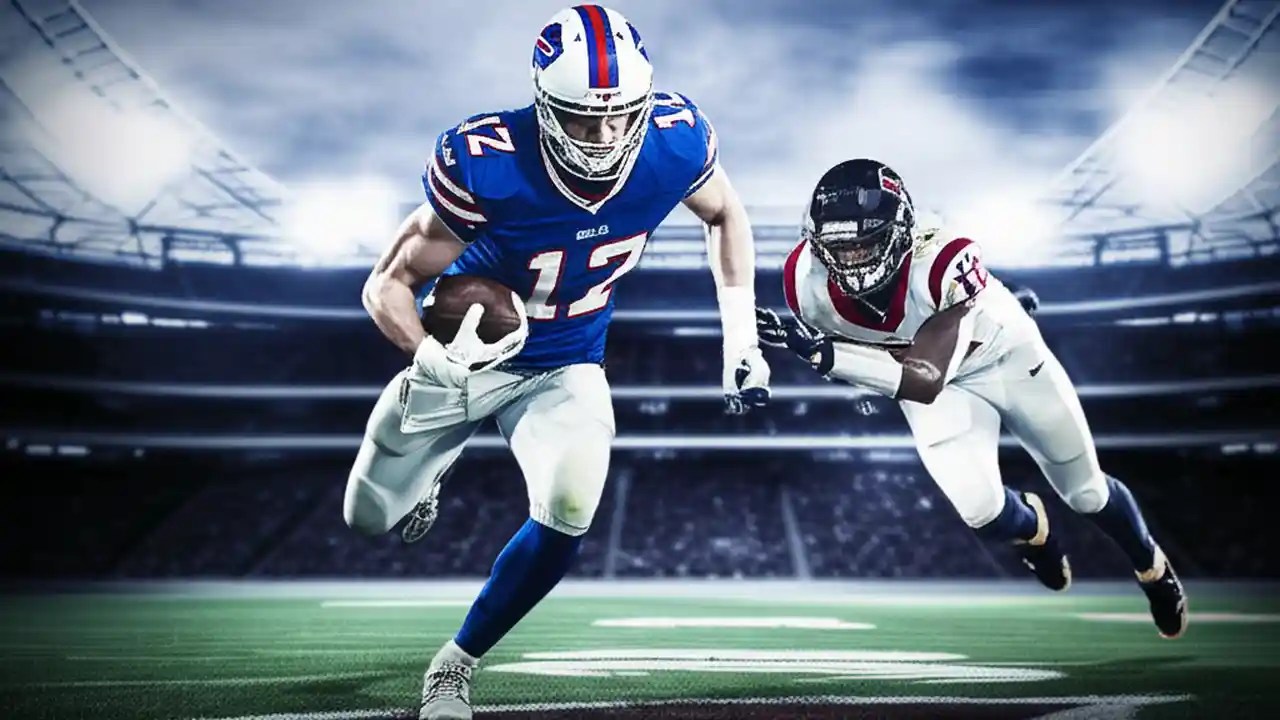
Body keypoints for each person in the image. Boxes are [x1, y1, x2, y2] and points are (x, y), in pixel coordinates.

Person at [346, 6, 771, 718]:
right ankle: (427, 470)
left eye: (619, 116)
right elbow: (386, 284)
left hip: (566, 360)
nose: (603, 136)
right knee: (365, 519)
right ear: (544, 103)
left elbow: (725, 212)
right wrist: (430, 356)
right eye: (581, 118)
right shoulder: (486, 159)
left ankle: (454, 667)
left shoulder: (673, 142)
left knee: (573, 505)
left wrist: (740, 338)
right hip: (466, 357)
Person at [758, 158, 1186, 639]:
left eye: (865, 242)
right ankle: (1034, 531)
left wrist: (825, 356)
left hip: (1002, 358)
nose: (854, 258)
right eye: (840, 246)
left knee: (1084, 490)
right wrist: (839, 362)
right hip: (928, 376)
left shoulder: (940, 263)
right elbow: (860, 350)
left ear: (902, 231)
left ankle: (1151, 566)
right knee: (979, 508)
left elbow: (923, 378)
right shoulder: (803, 281)